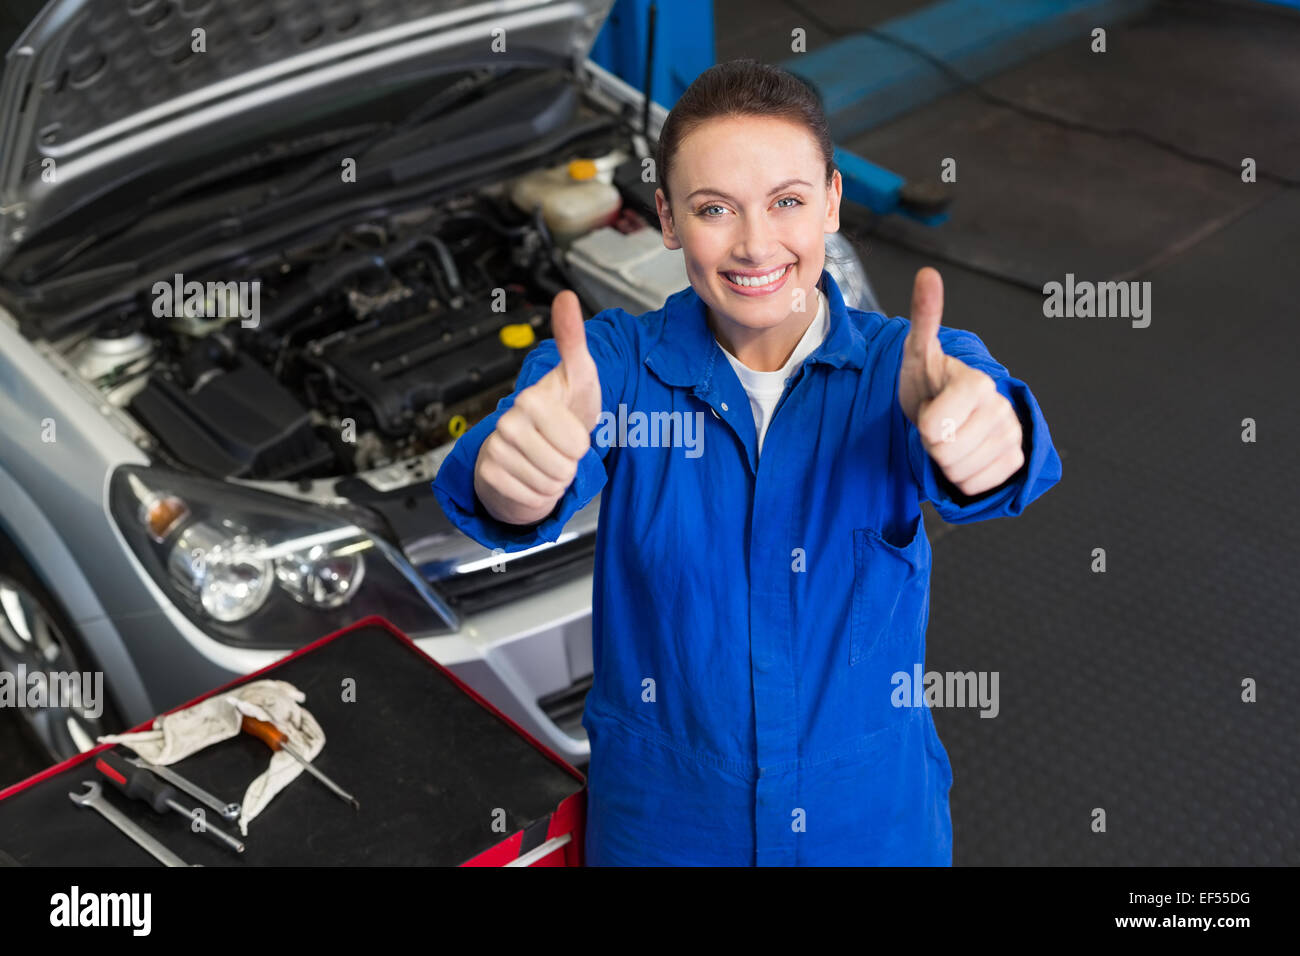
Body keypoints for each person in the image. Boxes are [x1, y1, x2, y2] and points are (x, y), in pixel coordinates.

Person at [432, 59, 1062, 865]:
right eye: (714, 209)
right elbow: (511, 485)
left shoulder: (908, 371)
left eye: (788, 202)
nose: (755, 243)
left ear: (833, 200)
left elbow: (998, 437)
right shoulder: (615, 366)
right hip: (669, 824)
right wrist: (510, 478)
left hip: (867, 825)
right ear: (665, 218)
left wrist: (990, 439)